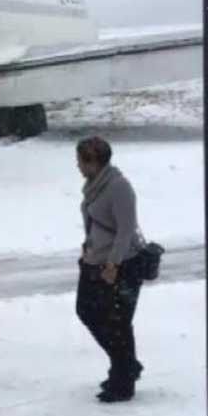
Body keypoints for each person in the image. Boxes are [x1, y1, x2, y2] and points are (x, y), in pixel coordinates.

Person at [76, 136, 146, 402]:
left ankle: (123, 380)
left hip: (121, 264)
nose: (78, 166)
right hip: (94, 260)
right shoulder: (94, 184)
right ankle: (127, 365)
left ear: (96, 162)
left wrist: (113, 264)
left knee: (117, 323)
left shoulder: (118, 187)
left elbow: (126, 230)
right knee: (87, 310)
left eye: (82, 161)